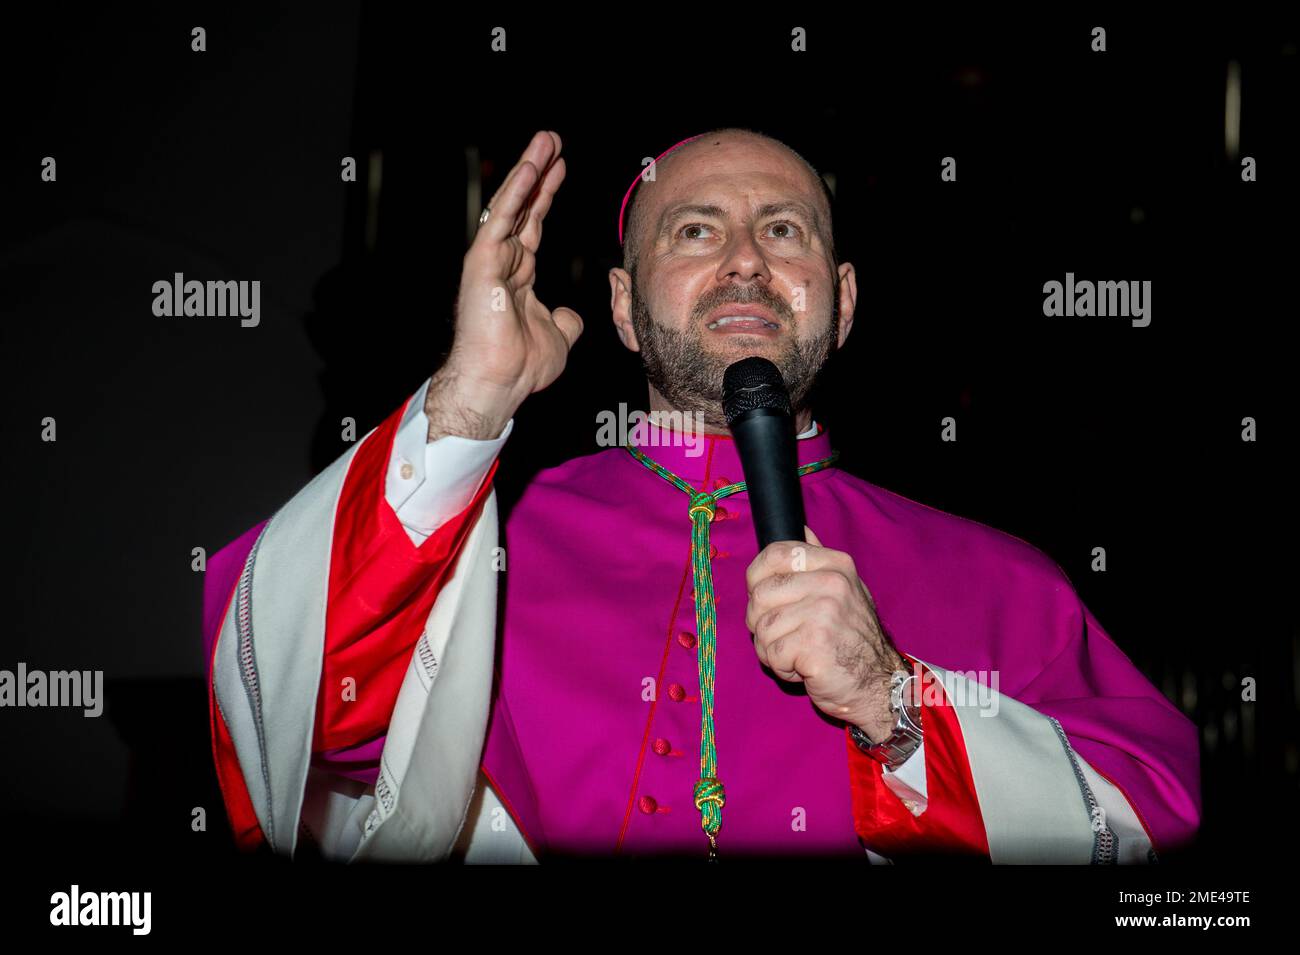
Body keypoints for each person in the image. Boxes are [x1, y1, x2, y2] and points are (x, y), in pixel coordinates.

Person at [203, 128, 1200, 864]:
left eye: (782, 229)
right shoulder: (473, 547)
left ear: (842, 302)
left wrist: (896, 703)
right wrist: (464, 406)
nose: (744, 260)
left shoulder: (995, 575)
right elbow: (303, 717)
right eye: (694, 230)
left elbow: (1144, 819)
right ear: (626, 310)